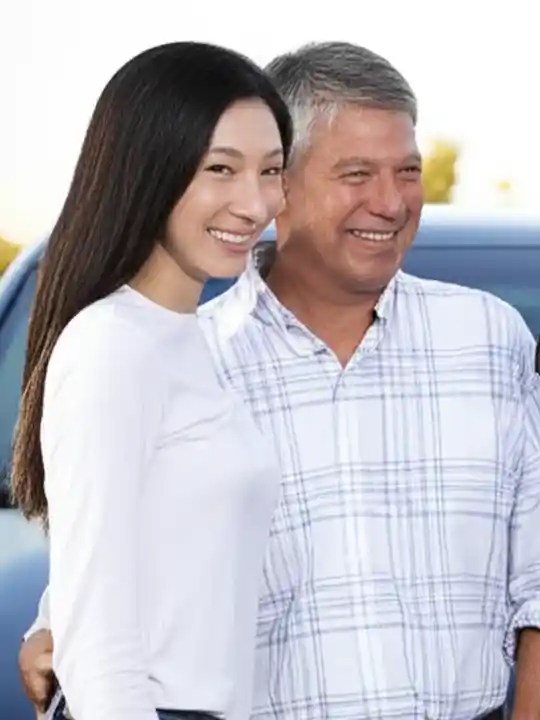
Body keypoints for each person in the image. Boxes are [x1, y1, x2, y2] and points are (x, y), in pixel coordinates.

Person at [18, 41, 540, 720]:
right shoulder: (178, 357)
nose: (390, 203)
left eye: (408, 170)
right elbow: (106, 603)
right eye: (356, 173)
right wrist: (57, 630)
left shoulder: (491, 339)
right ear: (288, 188)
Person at [8, 42, 292, 720]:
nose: (254, 204)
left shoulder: (183, 338)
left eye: (272, 171)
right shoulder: (113, 344)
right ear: (146, 170)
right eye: (220, 169)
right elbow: (97, 635)